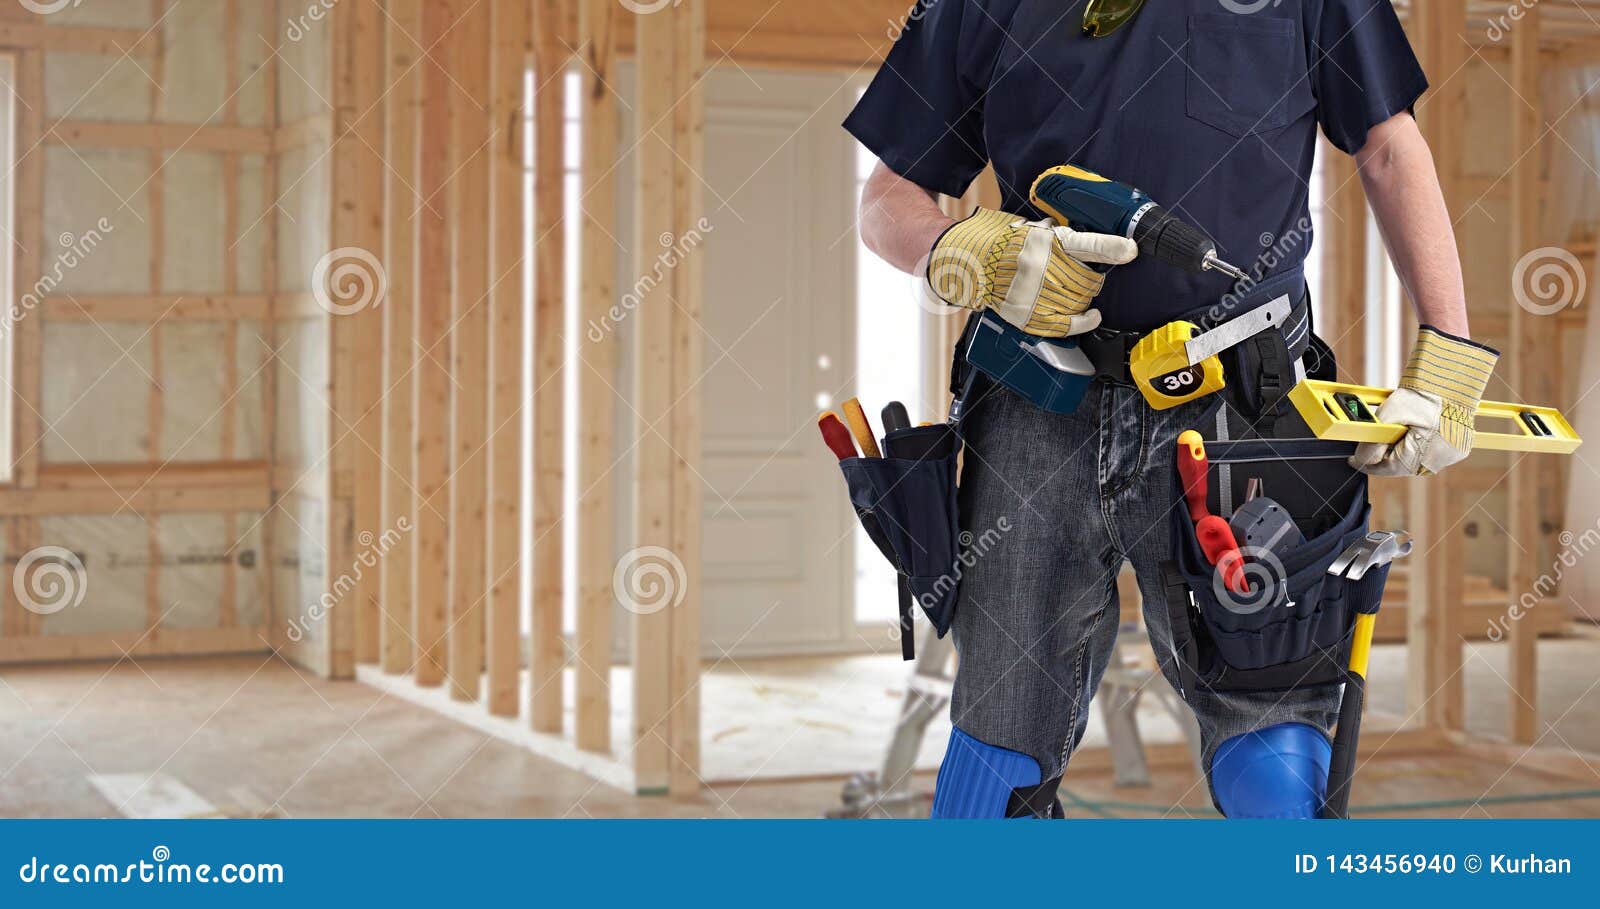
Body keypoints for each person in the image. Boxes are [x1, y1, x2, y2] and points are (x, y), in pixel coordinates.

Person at [844, 0, 1499, 818]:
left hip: (1243, 404)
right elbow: (886, 197)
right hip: (1037, 397)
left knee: (1276, 754)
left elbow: (1390, 145)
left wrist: (1451, 355)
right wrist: (949, 246)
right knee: (995, 762)